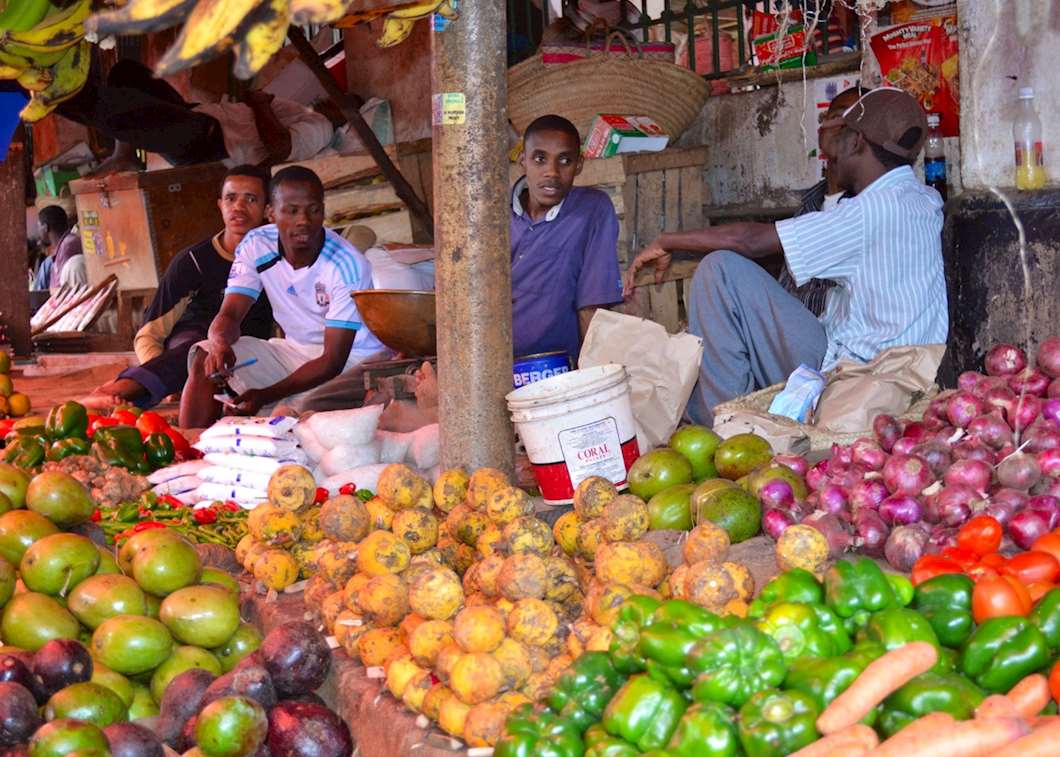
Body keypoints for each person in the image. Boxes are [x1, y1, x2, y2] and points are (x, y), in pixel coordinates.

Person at [624, 87, 948, 425]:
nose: (833, 148)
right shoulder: (922, 200)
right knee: (698, 375)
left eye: (842, 135)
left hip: (864, 373)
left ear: (855, 143)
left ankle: (729, 427)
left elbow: (752, 242)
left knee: (720, 271)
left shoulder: (873, 210)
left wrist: (668, 240)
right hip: (897, 365)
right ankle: (718, 415)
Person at [179, 165, 386, 427]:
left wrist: (266, 394)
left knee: (291, 411)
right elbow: (230, 314)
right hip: (292, 350)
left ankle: (275, 409)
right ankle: (189, 450)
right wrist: (220, 343)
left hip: (352, 361)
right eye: (291, 211)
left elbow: (332, 361)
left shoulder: (347, 266)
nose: (303, 220)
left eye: (313, 210)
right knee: (204, 358)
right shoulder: (256, 245)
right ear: (271, 213)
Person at [82, 165, 275, 410]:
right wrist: (167, 381)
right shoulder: (194, 261)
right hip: (190, 350)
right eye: (231, 198)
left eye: (251, 199)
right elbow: (149, 334)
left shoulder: (278, 261)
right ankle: (121, 389)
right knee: (201, 347)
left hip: (245, 358)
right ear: (219, 205)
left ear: (268, 209)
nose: (238, 207)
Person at [56, 60, 334, 175]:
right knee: (127, 74)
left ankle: (50, 93)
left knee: (118, 111)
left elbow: (280, 146)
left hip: (208, 142)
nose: (327, 100)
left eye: (339, 103)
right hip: (197, 116)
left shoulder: (322, 127)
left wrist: (260, 103)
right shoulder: (302, 111)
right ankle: (124, 152)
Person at [511, 114, 622, 363]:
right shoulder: (494, 214)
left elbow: (592, 305)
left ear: (579, 165)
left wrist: (594, 374)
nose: (552, 172)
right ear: (522, 161)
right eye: (539, 159)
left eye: (565, 160)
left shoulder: (591, 210)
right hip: (493, 367)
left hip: (559, 366)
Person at [778, 84, 869, 316]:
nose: (843, 126)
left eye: (856, 118)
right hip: (786, 333)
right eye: (837, 116)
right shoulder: (808, 203)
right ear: (821, 131)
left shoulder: (869, 206)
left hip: (836, 342)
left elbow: (750, 241)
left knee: (722, 269)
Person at [37, 205, 81, 289]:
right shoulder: (69, 242)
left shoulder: (67, 247)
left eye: (39, 226)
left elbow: (60, 289)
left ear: (45, 228)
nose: (38, 231)